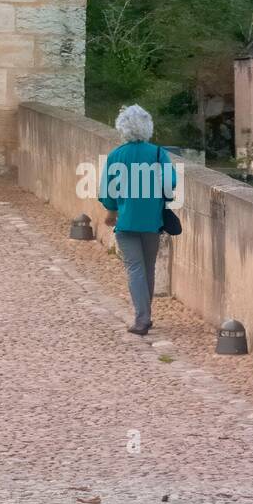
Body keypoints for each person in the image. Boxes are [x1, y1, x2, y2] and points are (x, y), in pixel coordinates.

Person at [99, 104, 177, 335]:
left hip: (126, 221)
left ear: (122, 127)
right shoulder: (157, 153)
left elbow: (108, 191)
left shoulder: (116, 155)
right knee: (148, 267)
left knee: (134, 268)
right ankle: (146, 314)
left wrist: (111, 212)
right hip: (152, 221)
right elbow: (171, 182)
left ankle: (141, 318)